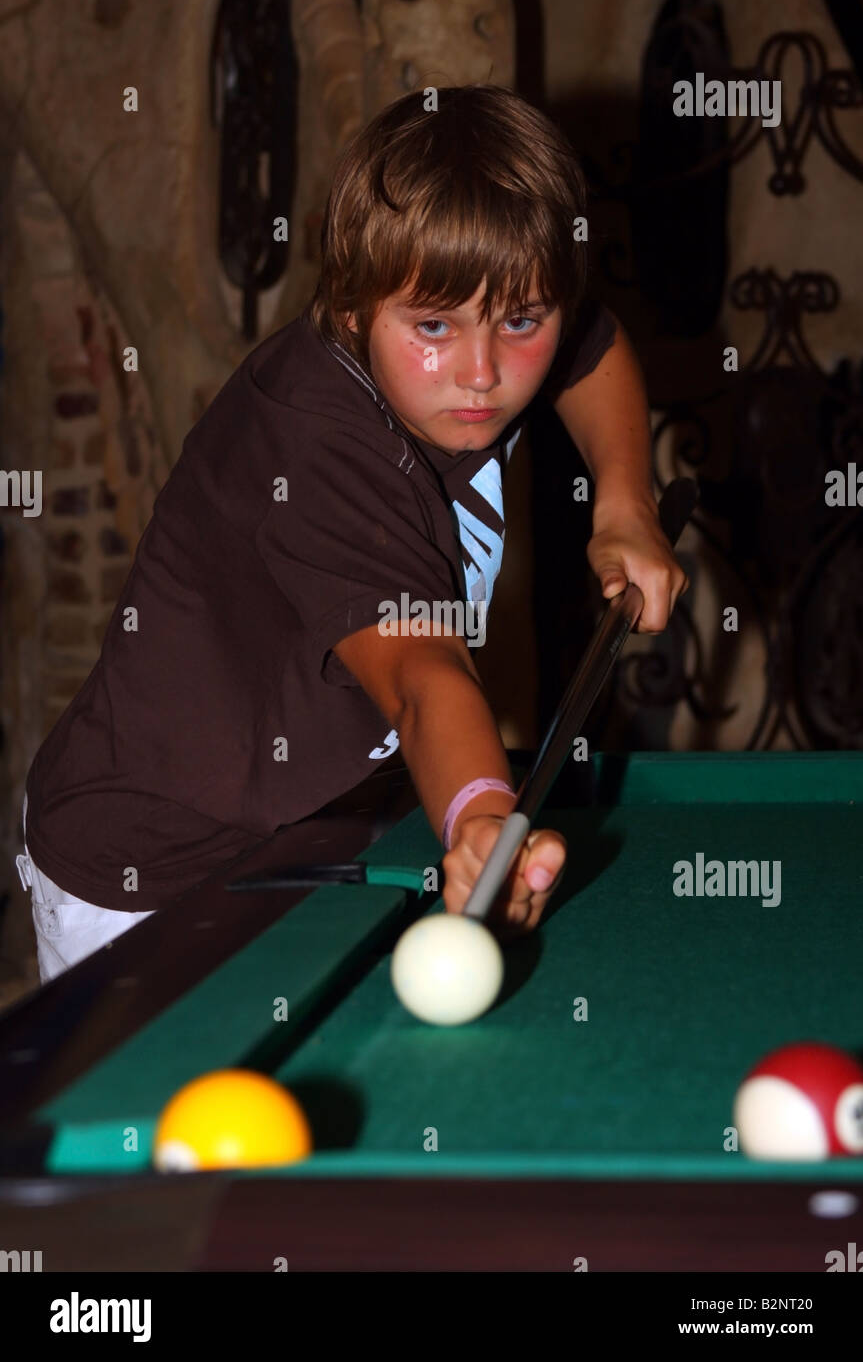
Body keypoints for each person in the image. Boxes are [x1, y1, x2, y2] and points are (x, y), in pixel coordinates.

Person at [17, 84, 687, 983]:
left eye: (520, 319)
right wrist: (485, 813)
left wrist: (624, 503)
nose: (482, 373)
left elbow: (593, 350)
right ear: (349, 311)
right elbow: (421, 677)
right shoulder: (315, 447)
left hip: (292, 837)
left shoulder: (483, 350)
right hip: (140, 877)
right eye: (434, 327)